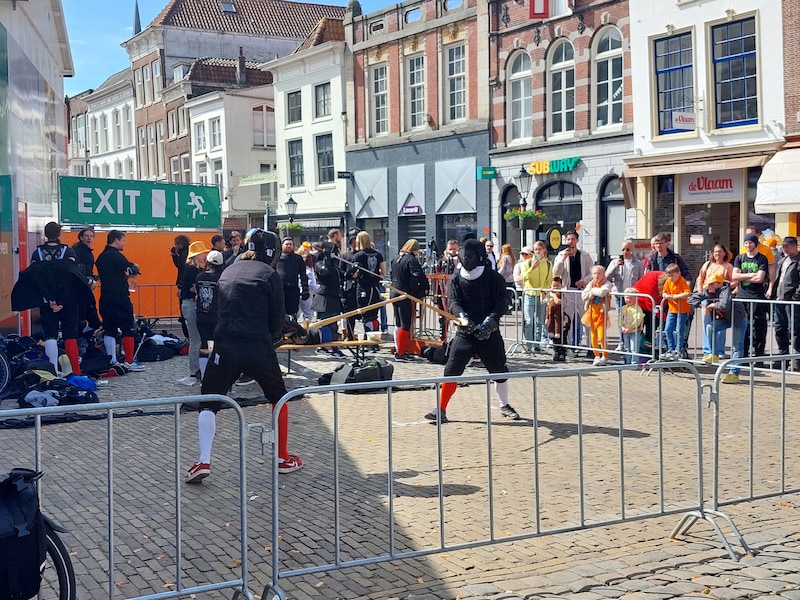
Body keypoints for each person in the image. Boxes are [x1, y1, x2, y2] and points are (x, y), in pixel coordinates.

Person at [185, 228, 302, 483]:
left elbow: (218, 308)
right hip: (258, 344)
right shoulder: (270, 274)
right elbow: (277, 318)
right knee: (279, 398)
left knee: (209, 401)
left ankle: (203, 459)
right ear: (272, 252)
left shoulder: (228, 270)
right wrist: (275, 337)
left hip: (225, 343)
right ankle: (282, 456)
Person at [423, 238, 520, 423]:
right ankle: (441, 409)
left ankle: (504, 404)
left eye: (470, 255)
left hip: (488, 332)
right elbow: (453, 302)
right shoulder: (457, 278)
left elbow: (503, 302)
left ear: (480, 256)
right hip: (465, 332)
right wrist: (462, 317)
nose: (466, 258)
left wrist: (491, 321)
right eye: (463, 255)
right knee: (451, 369)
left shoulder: (493, 277)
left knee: (499, 369)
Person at [28, 222, 84, 374]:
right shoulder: (68, 252)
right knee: (70, 334)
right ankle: (75, 371)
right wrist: (61, 300)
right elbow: (71, 278)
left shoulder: (37, 254)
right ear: (59, 233)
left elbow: (36, 279)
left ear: (45, 235)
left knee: (50, 334)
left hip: (47, 301)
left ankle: (53, 371)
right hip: (68, 300)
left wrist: (50, 299)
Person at [95, 230, 145, 371]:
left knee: (109, 328)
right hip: (120, 297)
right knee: (128, 326)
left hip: (105, 296)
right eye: (123, 240)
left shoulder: (101, 257)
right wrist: (133, 270)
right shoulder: (116, 256)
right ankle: (129, 361)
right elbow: (132, 268)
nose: (124, 244)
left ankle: (111, 360)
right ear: (116, 240)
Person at [688, 273, 747, 383]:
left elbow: (724, 305)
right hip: (726, 318)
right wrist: (703, 305)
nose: (709, 286)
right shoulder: (708, 291)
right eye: (708, 284)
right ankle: (713, 354)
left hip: (739, 319)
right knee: (710, 327)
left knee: (737, 346)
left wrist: (714, 305)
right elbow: (692, 298)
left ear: (719, 284)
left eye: (712, 284)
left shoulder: (725, 290)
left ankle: (734, 373)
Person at [553, 230, 594, 354]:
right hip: (568, 291)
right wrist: (563, 259)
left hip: (582, 291)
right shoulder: (561, 255)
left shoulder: (585, 255)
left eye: (573, 239)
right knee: (567, 320)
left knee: (586, 319)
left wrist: (584, 280)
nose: (571, 242)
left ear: (577, 240)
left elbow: (591, 272)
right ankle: (569, 346)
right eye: (568, 239)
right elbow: (556, 272)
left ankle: (590, 347)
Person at [732, 233, 769, 364]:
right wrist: (752, 274)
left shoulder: (761, 259)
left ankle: (759, 357)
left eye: (750, 243)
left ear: (756, 244)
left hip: (757, 298)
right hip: (742, 297)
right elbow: (734, 276)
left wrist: (744, 275)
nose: (748, 245)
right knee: (743, 328)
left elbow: (760, 279)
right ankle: (744, 356)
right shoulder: (739, 258)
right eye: (746, 243)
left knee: (759, 328)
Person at [177, 241, 210, 386]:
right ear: (196, 255)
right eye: (203, 253)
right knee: (195, 339)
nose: (205, 255)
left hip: (191, 304)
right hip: (190, 304)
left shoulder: (194, 269)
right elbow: (195, 288)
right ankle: (194, 369)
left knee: (197, 339)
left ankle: (196, 368)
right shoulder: (191, 270)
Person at [390, 239, 429, 362]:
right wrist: (417, 290)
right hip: (404, 293)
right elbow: (417, 276)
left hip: (394, 291)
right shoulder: (411, 259)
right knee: (405, 323)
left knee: (398, 322)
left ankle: (399, 350)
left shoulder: (396, 258)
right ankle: (401, 353)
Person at [695, 244, 735, 360]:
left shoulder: (728, 266)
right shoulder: (707, 265)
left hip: (720, 300)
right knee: (706, 324)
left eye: (720, 252)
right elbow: (700, 279)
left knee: (719, 326)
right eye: (715, 252)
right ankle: (708, 351)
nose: (717, 254)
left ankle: (719, 351)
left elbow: (734, 282)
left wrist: (721, 286)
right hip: (707, 299)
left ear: (724, 253)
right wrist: (700, 292)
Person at [770, 236, 800, 369]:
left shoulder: (798, 261)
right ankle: (782, 357)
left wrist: (795, 296)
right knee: (779, 328)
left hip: (792, 301)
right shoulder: (783, 261)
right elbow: (779, 278)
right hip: (779, 300)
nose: (785, 248)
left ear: (795, 246)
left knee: (795, 329)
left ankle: (796, 359)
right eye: (784, 246)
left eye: (788, 246)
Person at [195, 250, 224, 380]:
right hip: (216, 316)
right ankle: (216, 374)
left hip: (201, 315)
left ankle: (204, 374)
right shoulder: (221, 278)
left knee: (204, 345)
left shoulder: (199, 277)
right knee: (217, 346)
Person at [350, 231, 386, 335]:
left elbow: (354, 274)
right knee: (374, 315)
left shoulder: (358, 256)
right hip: (375, 289)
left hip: (363, 288)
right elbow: (383, 272)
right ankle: (375, 339)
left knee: (365, 315)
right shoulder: (378, 255)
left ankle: (369, 338)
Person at [70, 226, 102, 335]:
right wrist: (88, 280)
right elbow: (77, 270)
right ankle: (81, 339)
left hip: (85, 286)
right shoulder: (77, 251)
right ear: (81, 237)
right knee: (85, 314)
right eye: (87, 236)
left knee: (89, 314)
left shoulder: (87, 251)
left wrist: (94, 277)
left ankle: (84, 337)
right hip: (80, 288)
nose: (89, 238)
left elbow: (86, 271)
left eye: (91, 236)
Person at [521, 241, 552, 351]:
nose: (537, 252)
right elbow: (523, 277)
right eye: (535, 250)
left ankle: (537, 344)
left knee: (540, 320)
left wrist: (545, 291)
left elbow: (549, 280)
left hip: (541, 295)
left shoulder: (548, 264)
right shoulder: (527, 263)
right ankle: (529, 344)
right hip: (529, 294)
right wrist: (532, 268)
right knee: (529, 321)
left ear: (544, 250)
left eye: (539, 249)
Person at [631, 270, 667, 361]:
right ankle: (636, 357)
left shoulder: (668, 281)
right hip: (639, 304)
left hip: (654, 306)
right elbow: (650, 303)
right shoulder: (651, 280)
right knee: (636, 332)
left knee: (652, 330)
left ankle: (651, 355)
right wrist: (664, 317)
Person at [581, 265, 612, 366]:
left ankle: (605, 355)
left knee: (601, 335)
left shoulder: (607, 283)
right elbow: (584, 295)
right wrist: (593, 293)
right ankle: (596, 355)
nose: (597, 275)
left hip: (602, 313)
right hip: (592, 312)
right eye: (594, 273)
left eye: (599, 273)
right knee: (593, 335)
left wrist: (592, 292)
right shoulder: (591, 283)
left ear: (603, 274)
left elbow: (603, 292)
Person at [661, 263, 691, 360]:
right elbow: (664, 292)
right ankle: (671, 348)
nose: (670, 278)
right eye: (669, 276)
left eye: (672, 275)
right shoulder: (668, 282)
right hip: (672, 309)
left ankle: (678, 349)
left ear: (679, 273)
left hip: (682, 310)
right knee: (668, 329)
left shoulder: (682, 281)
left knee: (679, 330)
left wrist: (675, 297)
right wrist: (666, 295)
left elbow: (687, 293)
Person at [276, 238, 310, 319]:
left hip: (293, 289)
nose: (289, 246)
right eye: (287, 244)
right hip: (280, 289)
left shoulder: (298, 258)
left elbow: (303, 275)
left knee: (293, 313)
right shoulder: (277, 257)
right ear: (282, 246)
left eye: (291, 244)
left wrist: (305, 289)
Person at [171, 234, 191, 339]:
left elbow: (182, 270)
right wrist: (174, 256)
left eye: (176, 244)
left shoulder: (184, 255)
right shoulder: (186, 253)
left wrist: (180, 287)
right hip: (187, 286)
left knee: (184, 313)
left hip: (184, 287)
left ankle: (188, 337)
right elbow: (179, 266)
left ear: (180, 244)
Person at [545, 277, 569, 362]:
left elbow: (564, 304)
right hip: (552, 319)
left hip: (562, 318)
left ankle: (563, 353)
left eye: (557, 285)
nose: (555, 287)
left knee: (562, 336)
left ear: (561, 286)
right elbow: (544, 302)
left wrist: (555, 296)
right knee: (554, 337)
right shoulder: (549, 294)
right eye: (554, 285)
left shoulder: (563, 294)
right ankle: (556, 352)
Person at [341, 231, 359, 340]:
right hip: (349, 287)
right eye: (353, 242)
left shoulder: (361, 254)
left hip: (360, 286)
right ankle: (350, 335)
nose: (355, 244)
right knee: (350, 313)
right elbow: (341, 270)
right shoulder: (345, 255)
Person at [618, 288, 644, 365]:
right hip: (625, 331)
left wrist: (631, 328)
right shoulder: (623, 308)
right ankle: (628, 362)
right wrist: (622, 327)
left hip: (634, 331)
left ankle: (634, 363)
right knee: (627, 348)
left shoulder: (637, 309)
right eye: (627, 298)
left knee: (634, 348)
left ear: (636, 298)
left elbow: (638, 319)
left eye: (631, 298)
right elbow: (620, 318)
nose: (628, 300)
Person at [298, 246, 318, 321]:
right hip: (305, 292)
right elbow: (312, 284)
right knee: (308, 314)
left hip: (306, 293)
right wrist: (319, 288)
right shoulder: (307, 270)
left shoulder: (310, 268)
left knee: (301, 313)